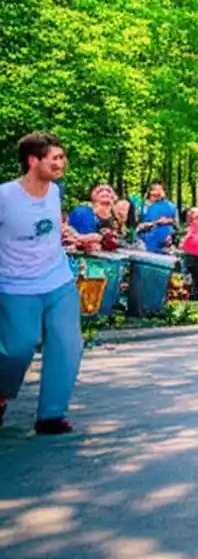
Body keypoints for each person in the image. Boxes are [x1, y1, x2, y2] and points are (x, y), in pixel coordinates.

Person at [0, 133, 82, 435]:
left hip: (57, 280)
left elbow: (53, 229)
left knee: (68, 344)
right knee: (18, 349)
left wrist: (76, 238)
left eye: (62, 157)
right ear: (33, 161)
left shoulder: (54, 192)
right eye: (55, 158)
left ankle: (51, 415)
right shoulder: (5, 197)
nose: (61, 163)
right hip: (15, 285)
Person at [137, 182, 178, 253]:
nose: (159, 192)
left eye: (161, 189)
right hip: (146, 243)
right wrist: (156, 222)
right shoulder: (142, 207)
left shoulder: (170, 206)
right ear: (150, 192)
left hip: (166, 244)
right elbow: (139, 226)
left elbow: (176, 224)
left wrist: (169, 221)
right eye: (156, 189)